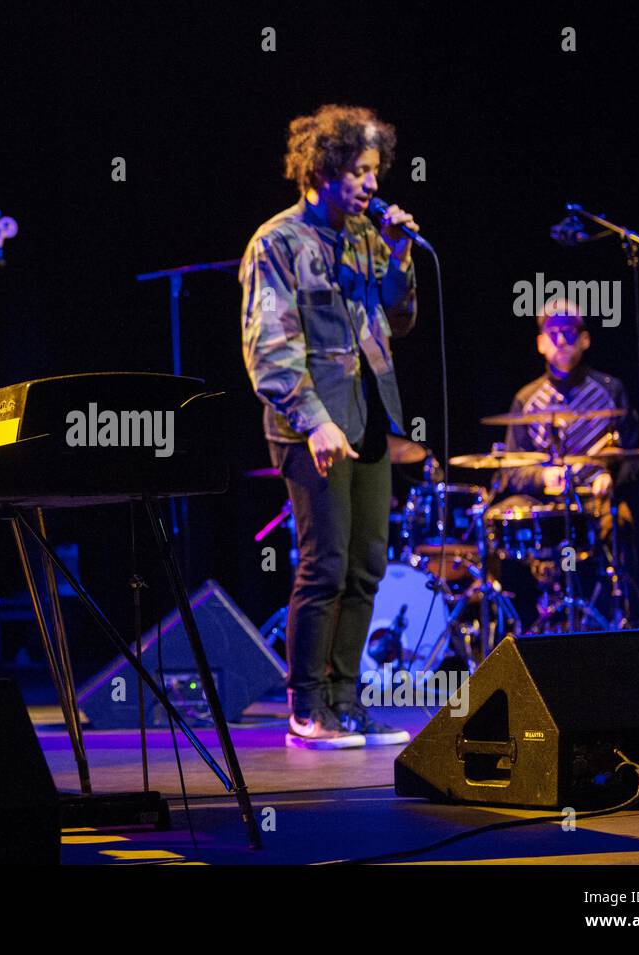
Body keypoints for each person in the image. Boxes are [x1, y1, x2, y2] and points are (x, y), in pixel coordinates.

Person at [241, 105, 420, 749]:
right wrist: (313, 421)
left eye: (376, 170)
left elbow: (398, 323)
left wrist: (400, 258)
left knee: (368, 563)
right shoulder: (277, 243)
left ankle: (348, 703)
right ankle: (307, 709)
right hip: (311, 427)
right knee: (325, 565)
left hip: (370, 419)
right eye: (360, 171)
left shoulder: (369, 236)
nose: (373, 184)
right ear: (322, 170)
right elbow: (270, 350)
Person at [492, 299, 637, 501]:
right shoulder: (526, 399)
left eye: (568, 332)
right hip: (545, 502)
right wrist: (542, 476)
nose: (560, 341)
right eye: (553, 334)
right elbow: (514, 470)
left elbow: (635, 454)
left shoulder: (610, 391)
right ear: (540, 344)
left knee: (617, 521)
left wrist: (612, 477)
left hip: (598, 499)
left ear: (584, 339)